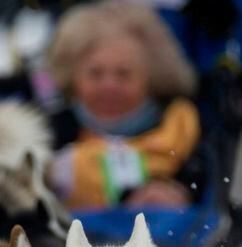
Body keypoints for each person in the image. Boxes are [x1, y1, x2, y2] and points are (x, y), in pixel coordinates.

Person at [45, 0, 202, 210]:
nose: (109, 86)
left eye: (124, 74)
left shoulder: (185, 130)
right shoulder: (49, 136)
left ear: (153, 80)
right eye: (95, 73)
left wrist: (179, 194)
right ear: (72, 78)